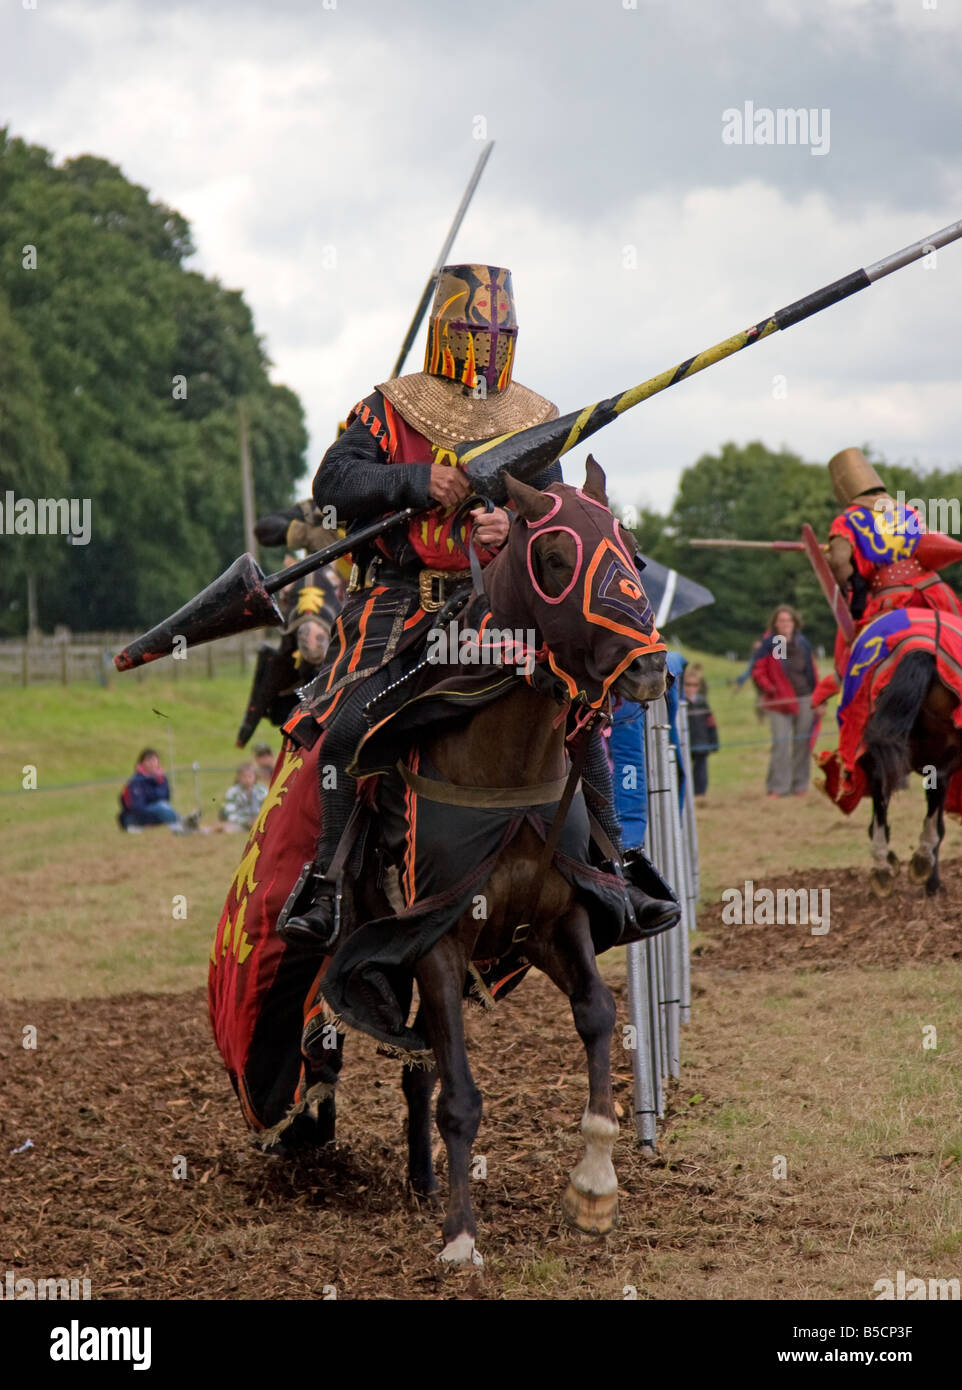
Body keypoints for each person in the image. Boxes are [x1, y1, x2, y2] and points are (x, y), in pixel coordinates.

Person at [277, 262, 663, 948]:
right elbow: (334, 484)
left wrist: (507, 528)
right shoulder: (389, 408)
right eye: (473, 330)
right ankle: (325, 886)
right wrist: (418, 479)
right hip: (401, 604)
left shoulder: (534, 419)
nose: (487, 344)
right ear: (445, 331)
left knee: (576, 705)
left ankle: (617, 866)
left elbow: (550, 519)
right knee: (345, 729)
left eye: (498, 331)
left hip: (497, 609)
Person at [751, 605, 818, 797]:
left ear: (794, 622)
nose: (785, 624)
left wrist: (818, 696)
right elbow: (763, 670)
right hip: (780, 701)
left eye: (788, 620)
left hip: (805, 696)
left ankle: (799, 785)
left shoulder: (802, 642)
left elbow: (810, 670)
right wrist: (770, 688)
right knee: (781, 744)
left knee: (802, 743)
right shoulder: (774, 643)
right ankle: (779, 787)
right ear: (775, 624)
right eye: (781, 621)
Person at [119, 749, 186, 831]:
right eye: (148, 760)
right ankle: (182, 822)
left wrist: (151, 795)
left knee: (162, 805)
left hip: (159, 812)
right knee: (161, 806)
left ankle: (182, 822)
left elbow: (166, 796)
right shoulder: (136, 781)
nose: (152, 764)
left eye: (154, 760)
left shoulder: (162, 778)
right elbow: (138, 807)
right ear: (142, 763)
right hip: (138, 817)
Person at [682, 664, 718, 799]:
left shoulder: (702, 702)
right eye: (688, 684)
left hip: (701, 740)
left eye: (694, 685)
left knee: (701, 771)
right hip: (686, 742)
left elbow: (711, 723)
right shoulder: (679, 703)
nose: (691, 688)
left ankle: (700, 795)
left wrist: (713, 741)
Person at [219, 762, 267, 832]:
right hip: (240, 824)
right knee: (226, 828)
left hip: (260, 823)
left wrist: (258, 820)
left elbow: (267, 809)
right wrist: (245, 822)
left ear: (255, 776)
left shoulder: (262, 790)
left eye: (250, 776)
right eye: (244, 776)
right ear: (238, 777)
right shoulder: (233, 792)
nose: (247, 779)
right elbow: (230, 812)